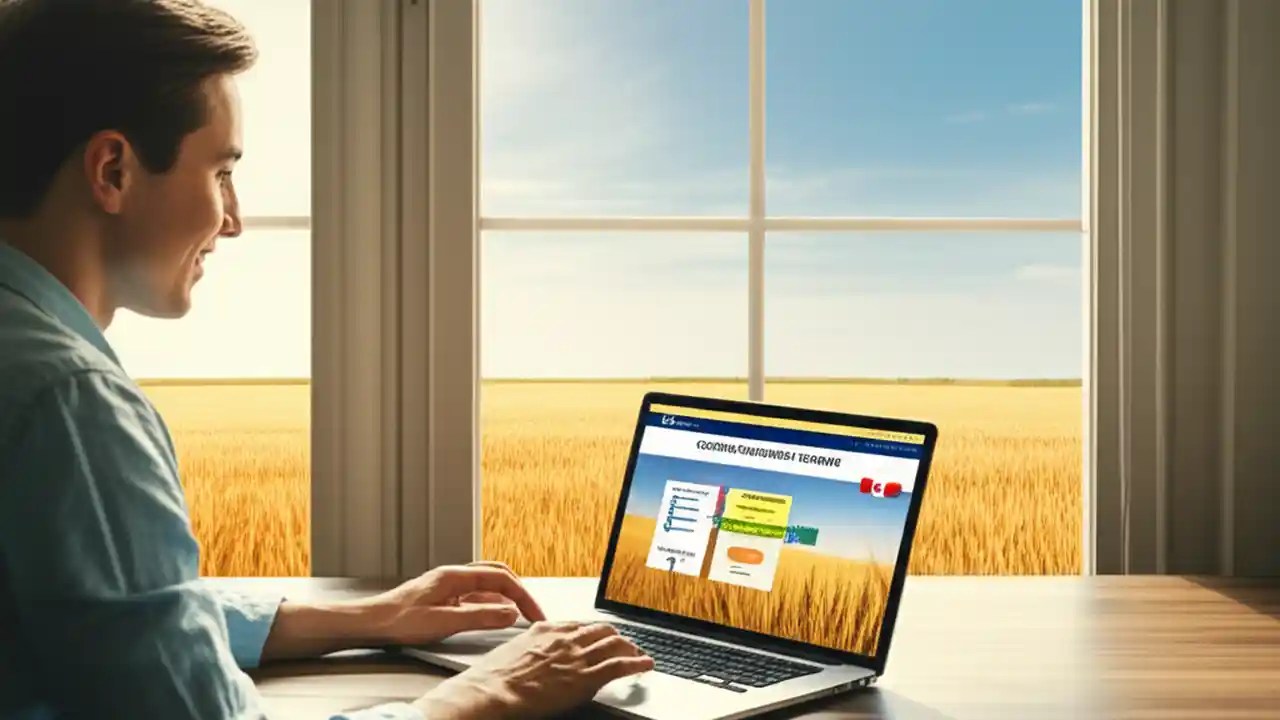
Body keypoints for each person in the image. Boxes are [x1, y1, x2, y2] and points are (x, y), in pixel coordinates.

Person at [0, 1, 654, 718]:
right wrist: (494, 688)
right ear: (113, 170)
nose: (234, 217)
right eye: (220, 172)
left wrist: (365, 617)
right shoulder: (72, 402)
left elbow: (108, 616)